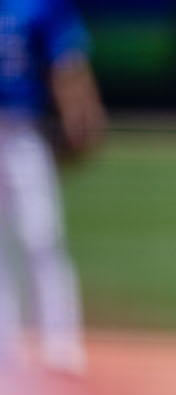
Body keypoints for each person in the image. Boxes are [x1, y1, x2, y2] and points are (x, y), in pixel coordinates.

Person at [0, 0, 104, 373]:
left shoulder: (40, 5)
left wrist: (80, 114)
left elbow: (67, 63)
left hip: (24, 133)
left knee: (40, 236)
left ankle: (60, 343)